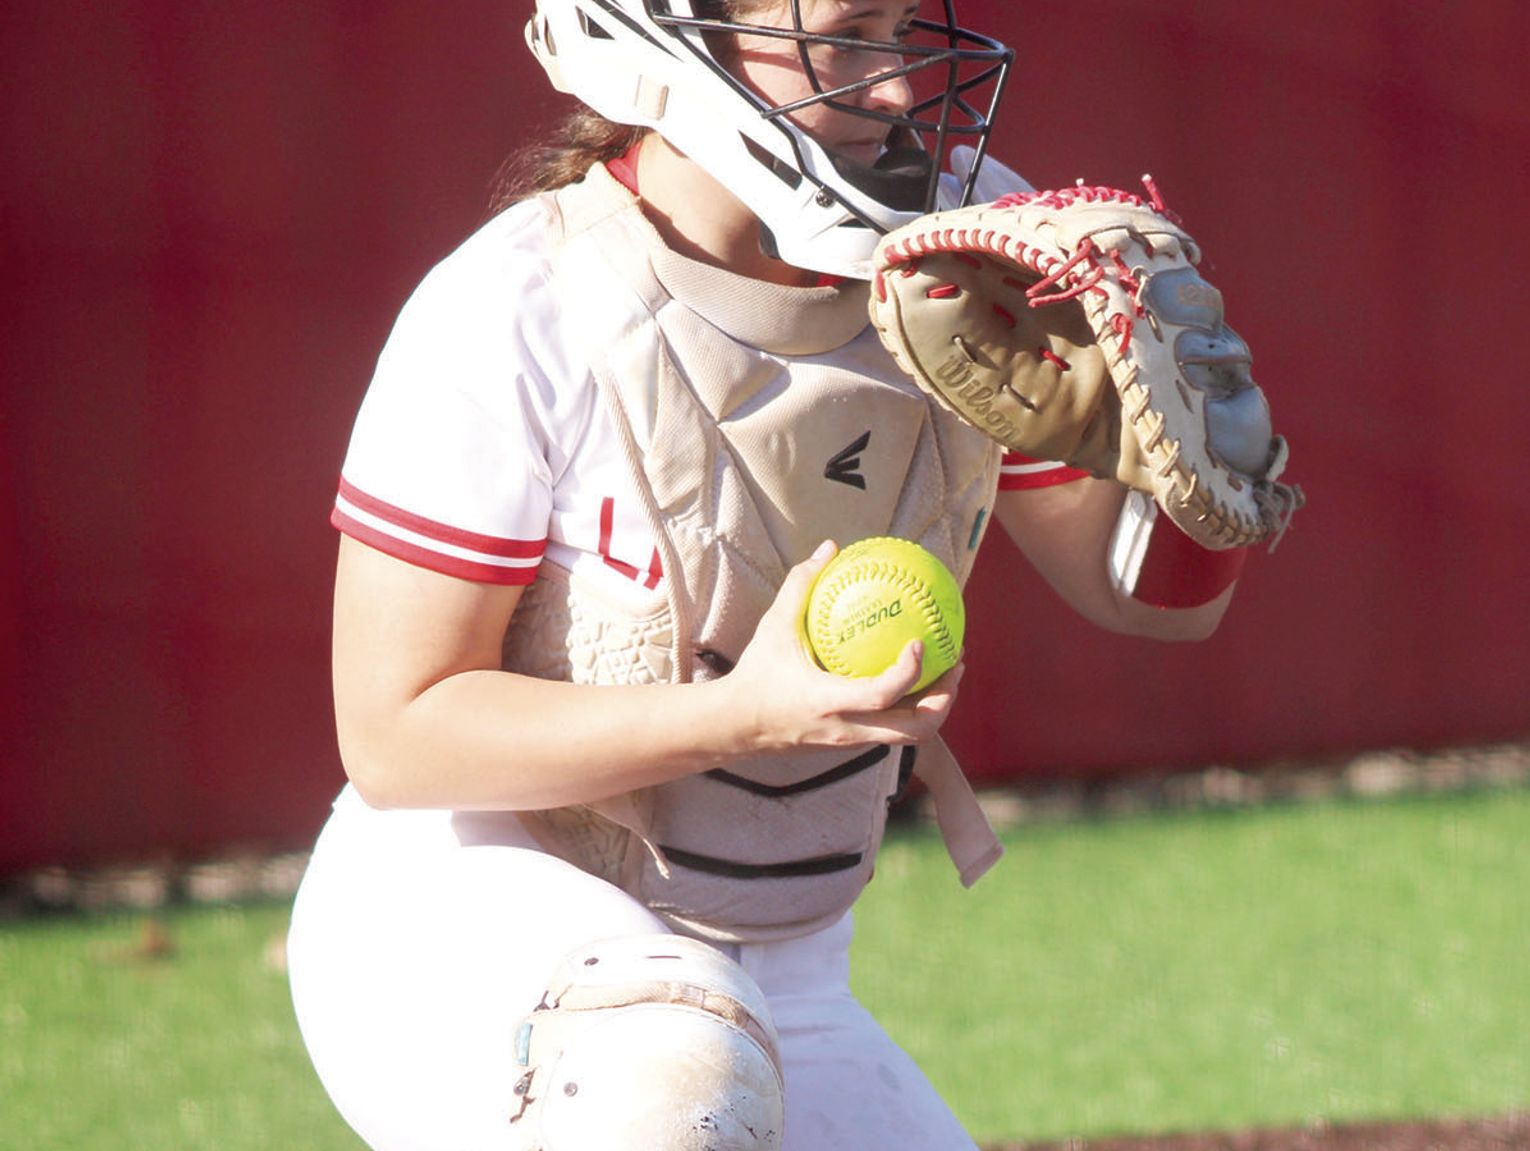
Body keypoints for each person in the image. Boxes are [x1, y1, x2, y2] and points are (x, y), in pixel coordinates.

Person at [286, 3, 1245, 1149]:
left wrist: (1198, 472)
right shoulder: (519, 302)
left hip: (780, 964)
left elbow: (1142, 599)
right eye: (844, 34)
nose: (894, 84)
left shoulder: (957, 248)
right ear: (662, 34)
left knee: (697, 1048)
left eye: (902, 27)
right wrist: (743, 713)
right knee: (667, 1071)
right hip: (462, 922)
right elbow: (398, 737)